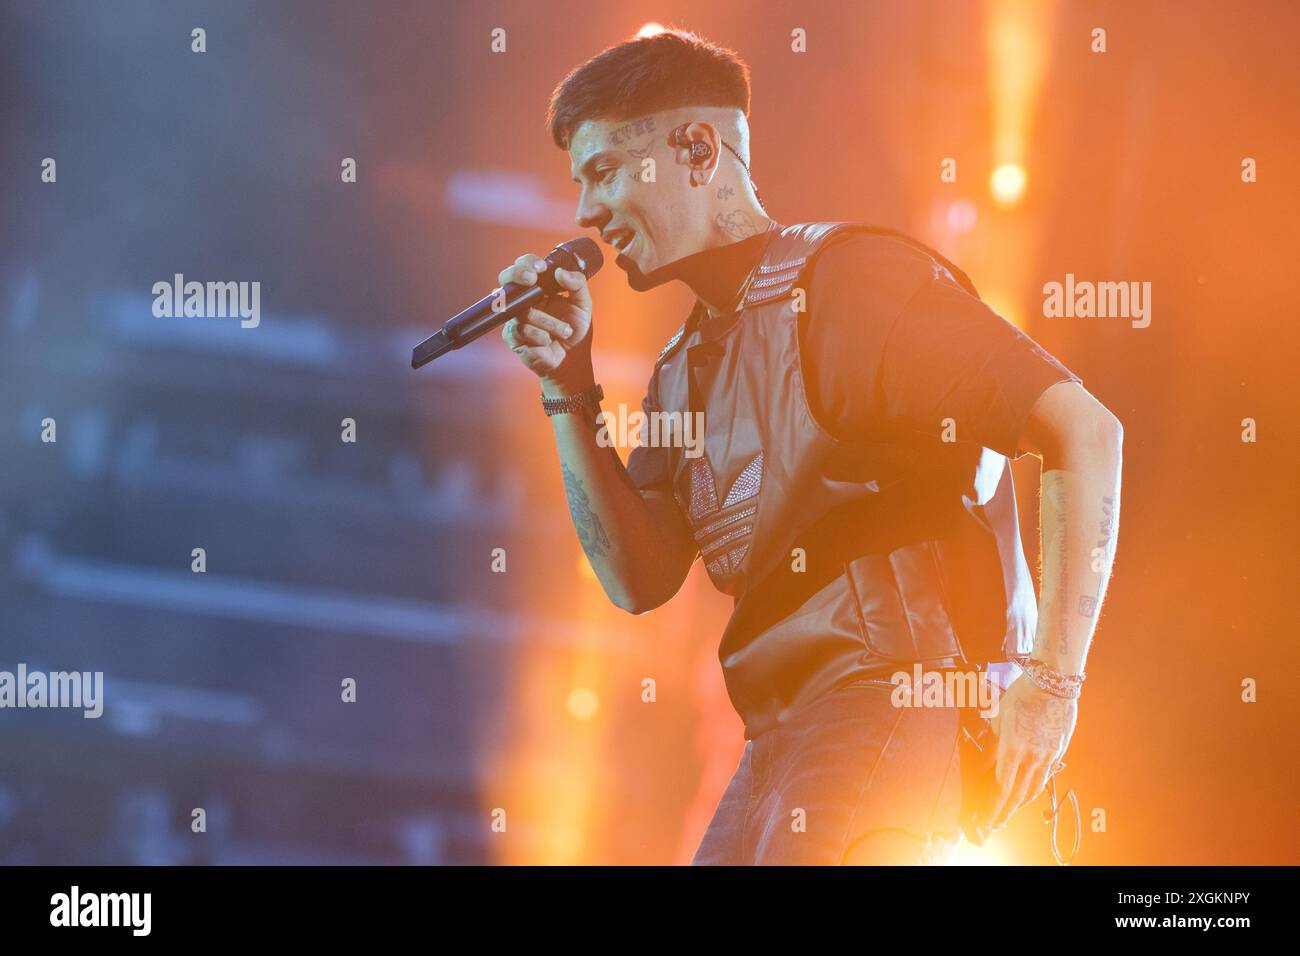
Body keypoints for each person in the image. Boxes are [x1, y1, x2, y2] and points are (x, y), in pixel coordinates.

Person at [498, 30, 1123, 864]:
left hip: (892, 707)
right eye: (579, 183)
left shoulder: (852, 285)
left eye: (606, 170)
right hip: (774, 745)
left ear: (696, 148)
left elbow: (1085, 430)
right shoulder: (683, 372)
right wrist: (567, 385)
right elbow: (637, 578)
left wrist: (1050, 688)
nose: (584, 212)